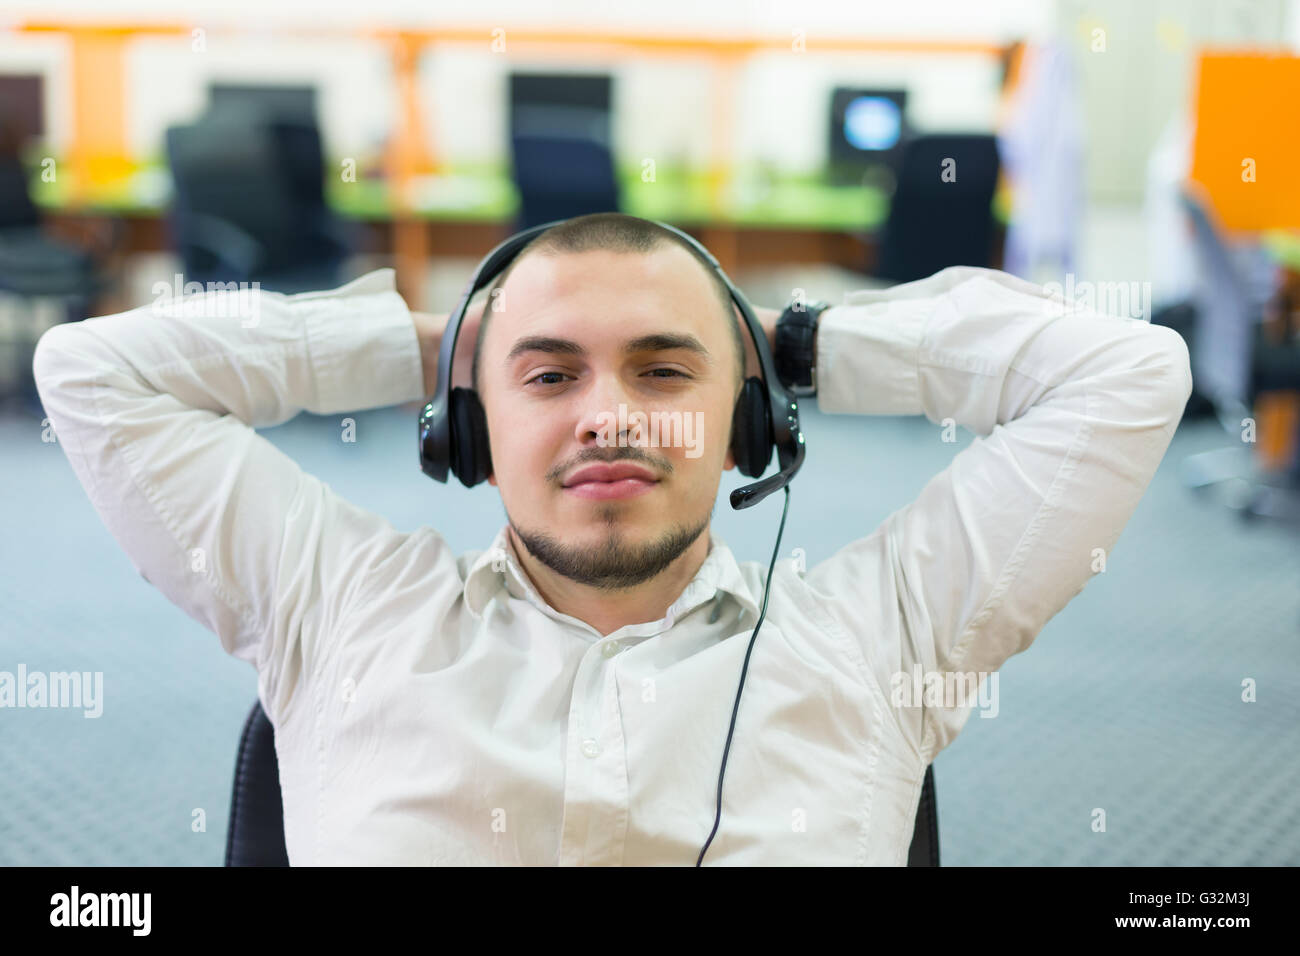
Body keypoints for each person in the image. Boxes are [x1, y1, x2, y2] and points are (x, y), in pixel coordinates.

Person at [32, 212, 1192, 865]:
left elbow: (1127, 369)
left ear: (748, 420)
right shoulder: (339, 609)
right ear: (470, 422)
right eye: (546, 373)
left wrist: (790, 345)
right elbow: (91, 371)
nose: (609, 413)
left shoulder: (880, 637)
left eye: (664, 367)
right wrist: (437, 346)